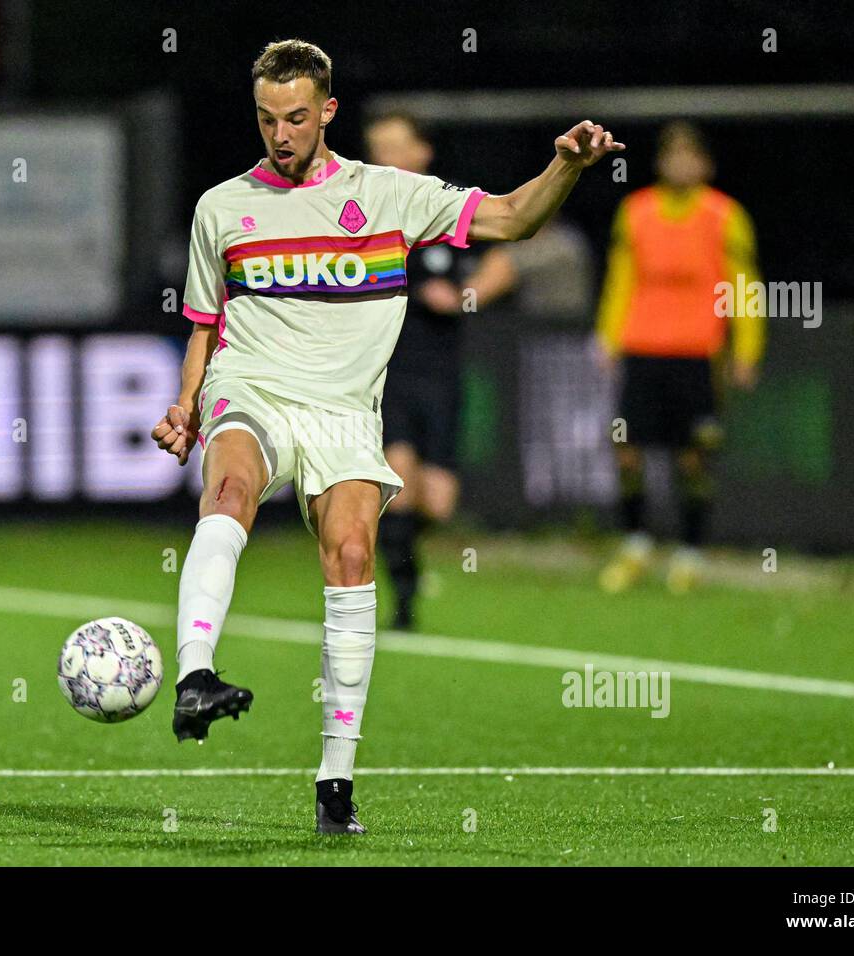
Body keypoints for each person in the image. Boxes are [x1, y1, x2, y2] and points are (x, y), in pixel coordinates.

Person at [151, 39, 623, 834]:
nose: (281, 133)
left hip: (343, 414)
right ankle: (196, 676)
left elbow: (512, 215)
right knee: (228, 488)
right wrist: (187, 402)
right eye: (267, 119)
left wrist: (568, 167)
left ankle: (336, 782)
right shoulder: (221, 207)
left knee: (352, 555)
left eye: (297, 117)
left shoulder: (390, 194)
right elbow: (205, 322)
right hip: (255, 388)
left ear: (328, 111)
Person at [363, 111, 519, 631]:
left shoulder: (447, 210)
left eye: (394, 146)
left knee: (438, 502)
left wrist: (463, 297)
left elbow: (503, 259)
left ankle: (402, 554)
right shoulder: (363, 214)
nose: (383, 157)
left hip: (442, 374)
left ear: (421, 152)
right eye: (376, 147)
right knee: (401, 485)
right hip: (389, 373)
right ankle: (404, 601)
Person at [594, 122, 763, 594]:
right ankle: (635, 544)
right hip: (642, 349)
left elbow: (744, 284)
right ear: (661, 163)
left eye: (691, 156)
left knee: (694, 457)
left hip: (697, 354)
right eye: (672, 156)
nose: (681, 164)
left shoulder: (725, 215)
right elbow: (621, 277)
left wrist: (746, 349)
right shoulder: (636, 211)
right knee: (627, 450)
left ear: (705, 165)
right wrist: (608, 336)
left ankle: (690, 552)